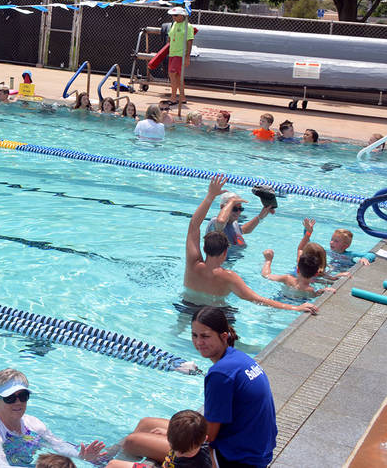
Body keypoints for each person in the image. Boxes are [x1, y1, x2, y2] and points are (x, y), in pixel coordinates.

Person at [117, 308, 277, 467]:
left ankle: (106, 461)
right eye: (195, 335)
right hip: (256, 450)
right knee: (146, 424)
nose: (199, 342)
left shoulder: (220, 374)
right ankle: (104, 457)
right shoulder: (238, 358)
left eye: (205, 336)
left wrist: (172, 437)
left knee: (132, 442)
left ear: (223, 336)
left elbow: (209, 436)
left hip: (236, 459)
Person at [185, 176, 318, 314]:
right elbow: (257, 299)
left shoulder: (192, 265)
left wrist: (210, 195)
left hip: (187, 307)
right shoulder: (229, 277)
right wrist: (295, 307)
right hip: (216, 313)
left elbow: (193, 226)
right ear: (225, 252)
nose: (238, 211)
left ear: (205, 248)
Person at [0, 368, 106, 468]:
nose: (18, 402)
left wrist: (81, 456)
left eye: (23, 396)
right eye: (10, 398)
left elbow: (58, 445)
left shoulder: (33, 424)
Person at [105, 409, 213, 468]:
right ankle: (106, 456)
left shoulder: (181, 464)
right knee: (146, 423)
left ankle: (101, 462)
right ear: (205, 439)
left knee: (113, 465)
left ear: (168, 440)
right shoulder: (203, 450)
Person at [204, 189, 273, 249]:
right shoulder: (214, 222)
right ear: (222, 207)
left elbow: (244, 230)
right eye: (234, 208)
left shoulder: (234, 223)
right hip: (218, 263)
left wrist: (260, 217)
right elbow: (221, 222)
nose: (238, 212)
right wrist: (232, 201)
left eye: (240, 209)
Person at [261, 247, 334, 298]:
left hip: (280, 299)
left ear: (297, 270)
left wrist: (268, 260)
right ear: (316, 274)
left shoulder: (287, 278)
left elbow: (266, 275)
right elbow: (314, 295)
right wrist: (323, 290)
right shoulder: (309, 289)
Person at [166, 6, 194, 105]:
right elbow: (169, 38)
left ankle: (173, 98)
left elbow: (190, 41)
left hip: (180, 54)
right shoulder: (174, 24)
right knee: (177, 77)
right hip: (172, 53)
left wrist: (187, 56)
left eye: (176, 15)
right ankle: (182, 98)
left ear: (182, 16)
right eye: (173, 15)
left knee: (172, 74)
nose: (173, 17)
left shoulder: (188, 26)